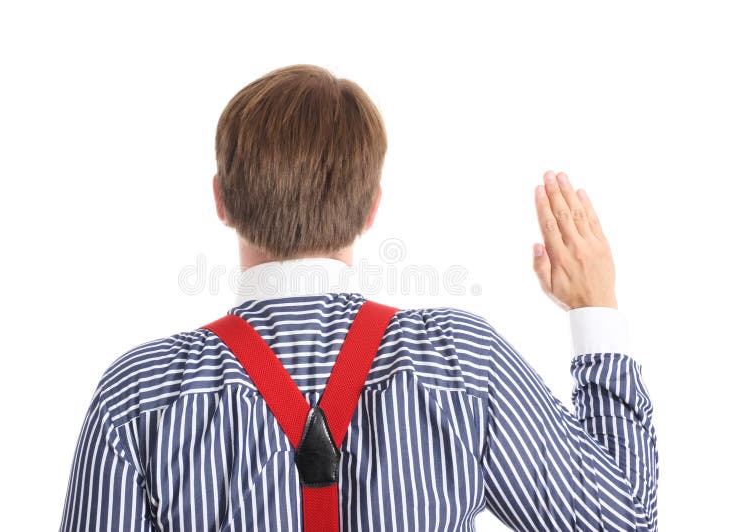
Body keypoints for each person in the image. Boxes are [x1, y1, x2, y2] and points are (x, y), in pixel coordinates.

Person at [58, 64, 658, 531]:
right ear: (373, 208)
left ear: (221, 201)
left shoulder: (139, 397)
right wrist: (594, 308)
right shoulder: (460, 362)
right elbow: (623, 519)